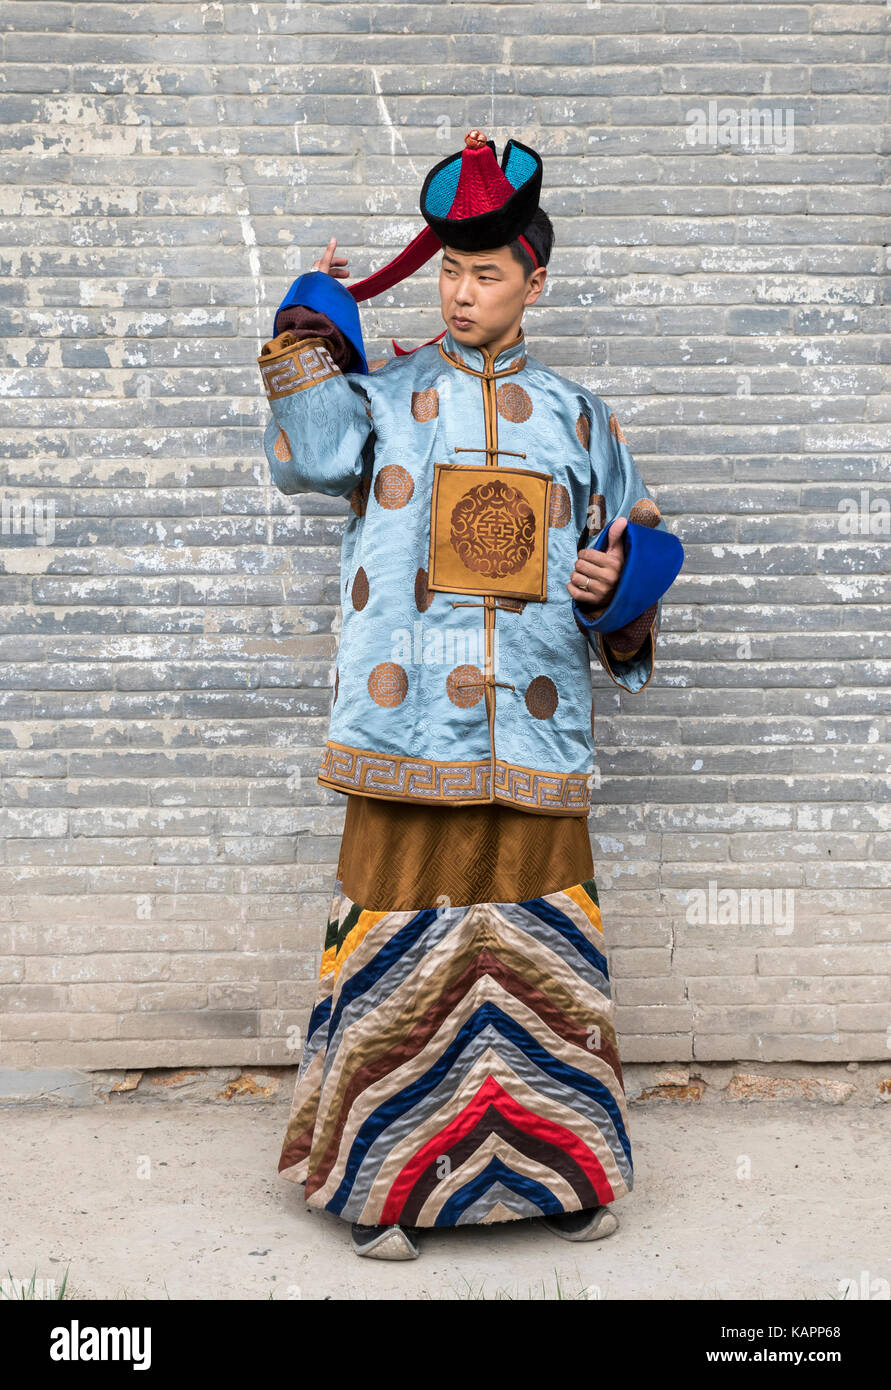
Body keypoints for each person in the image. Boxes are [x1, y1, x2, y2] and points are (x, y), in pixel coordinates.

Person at [257, 130, 684, 1260]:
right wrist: (314, 316)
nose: (461, 292)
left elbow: (633, 560)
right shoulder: (384, 399)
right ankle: (389, 1185)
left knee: (547, 952)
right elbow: (302, 455)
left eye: (487, 272)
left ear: (534, 280)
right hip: (403, 733)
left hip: (535, 729)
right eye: (450, 269)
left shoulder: (582, 418)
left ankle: (564, 1175)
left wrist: (612, 592)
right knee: (400, 941)